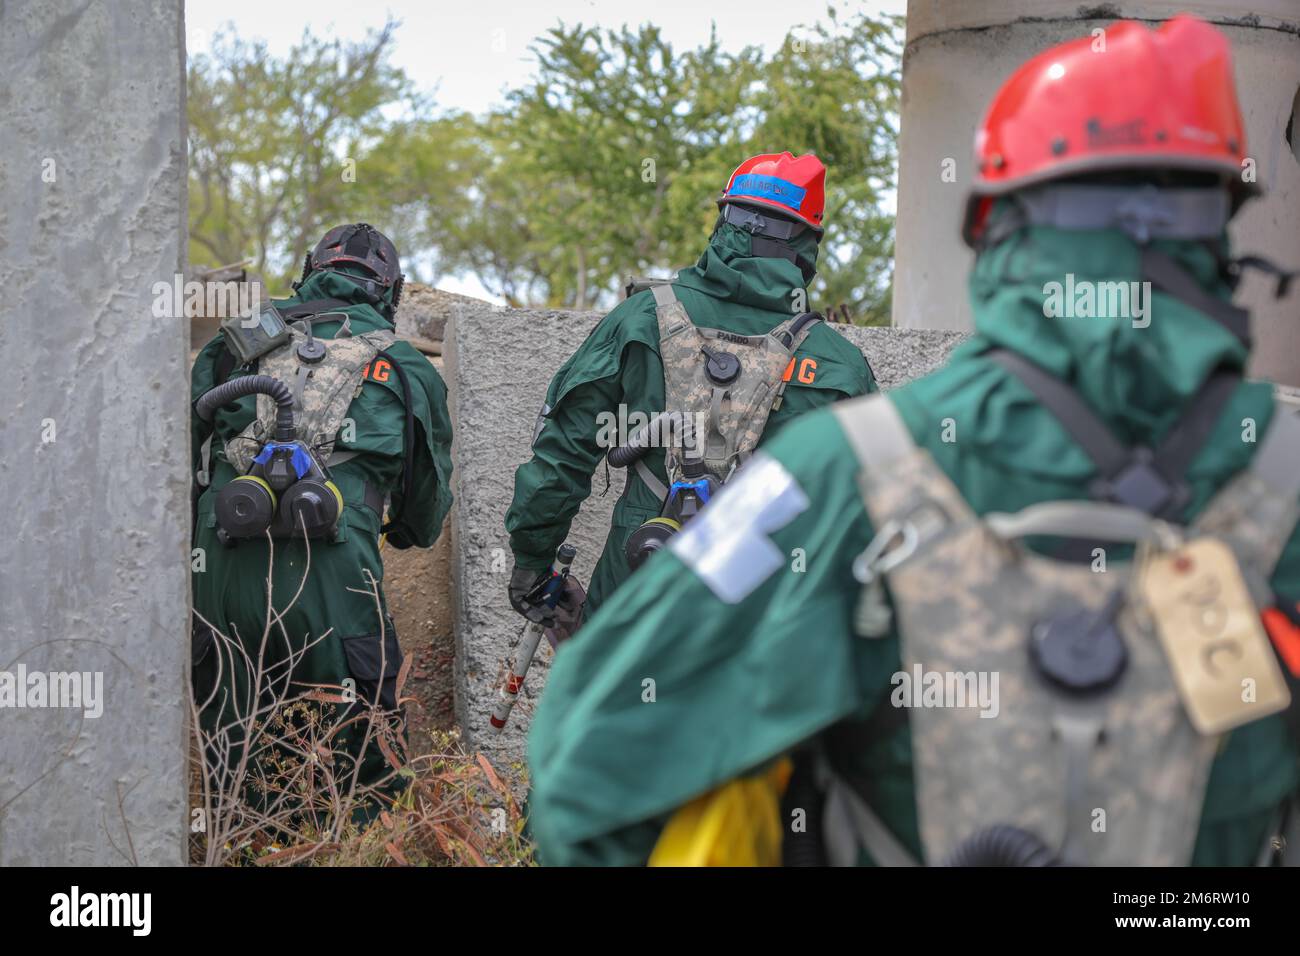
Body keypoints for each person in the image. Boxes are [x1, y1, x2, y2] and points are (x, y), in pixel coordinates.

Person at [526, 16, 1300, 866]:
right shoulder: (1285, 481)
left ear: (995, 228)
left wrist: (531, 566)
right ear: (1224, 223)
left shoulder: (856, 468)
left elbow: (591, 774)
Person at [505, 152, 877, 627]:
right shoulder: (838, 362)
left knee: (614, 697)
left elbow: (562, 455)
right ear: (808, 241)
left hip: (640, 570)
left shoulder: (642, 318)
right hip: (767, 600)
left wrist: (532, 560)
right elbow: (870, 507)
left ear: (725, 220)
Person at [190, 223, 453, 818]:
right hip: (337, 575)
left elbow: (180, 462)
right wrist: (397, 527)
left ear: (309, 271)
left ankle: (242, 849)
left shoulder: (233, 343)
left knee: (235, 742)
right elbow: (424, 514)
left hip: (221, 561)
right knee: (357, 755)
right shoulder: (407, 366)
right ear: (391, 291)